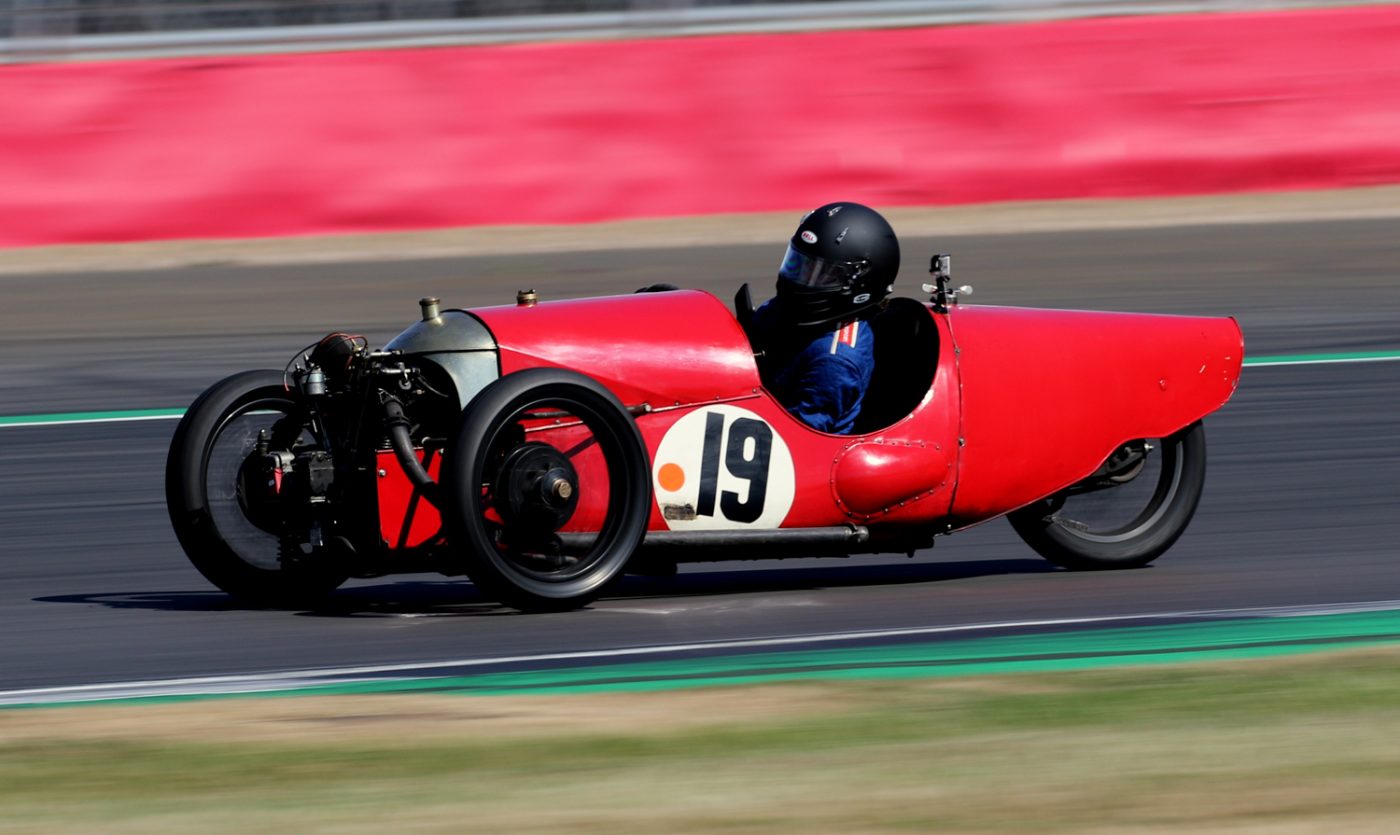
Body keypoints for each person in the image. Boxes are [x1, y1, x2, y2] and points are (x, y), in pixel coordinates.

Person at [748, 202, 900, 434]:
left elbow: (795, 440)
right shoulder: (787, 311)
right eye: (800, 264)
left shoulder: (834, 360)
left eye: (823, 274)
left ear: (859, 283)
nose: (802, 279)